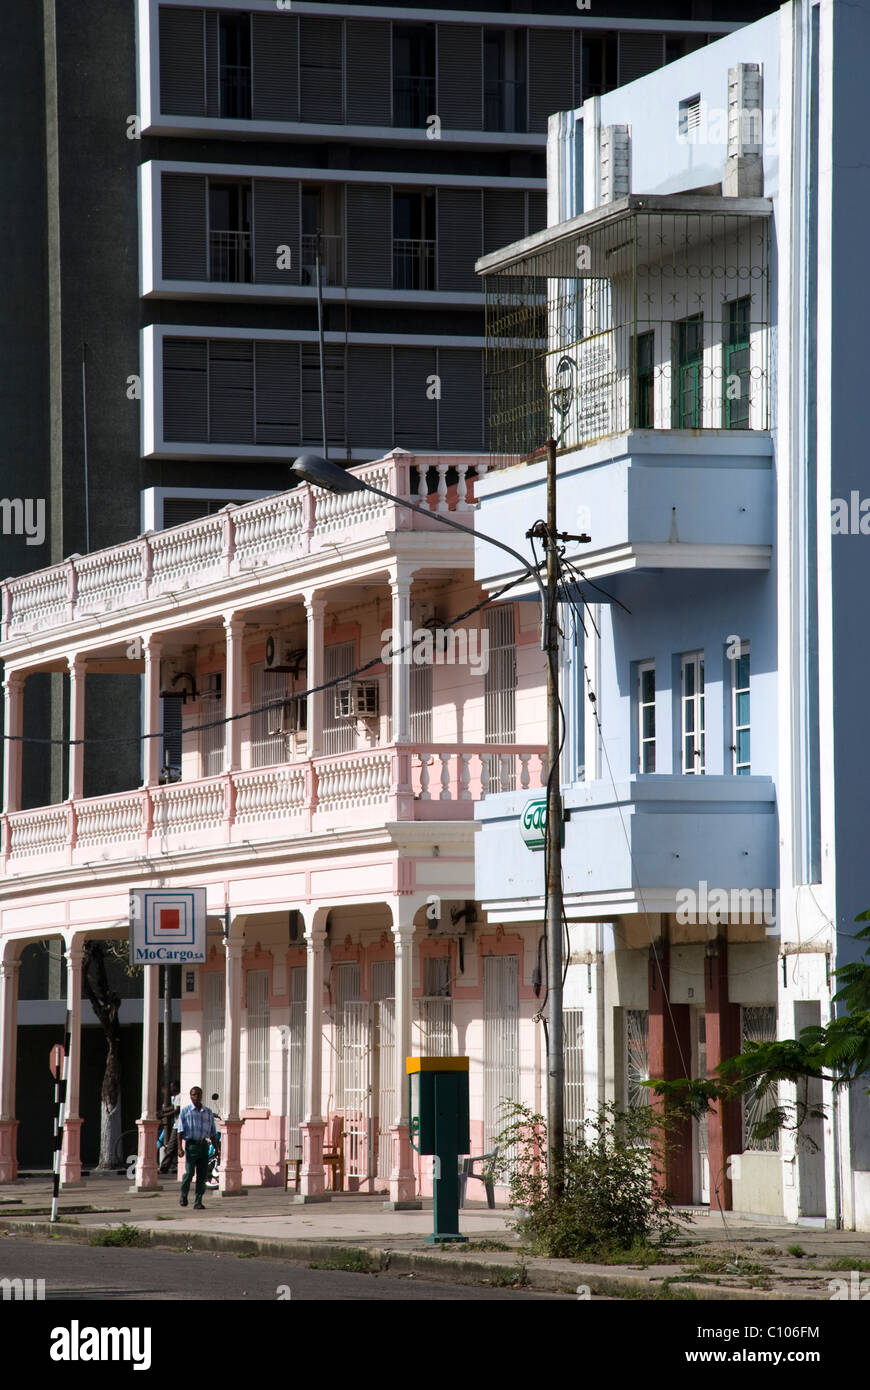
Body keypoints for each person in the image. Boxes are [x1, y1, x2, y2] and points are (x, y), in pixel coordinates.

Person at [177, 1086, 220, 1209]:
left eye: (198, 1094)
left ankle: (198, 1201)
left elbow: (212, 1132)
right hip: (191, 1146)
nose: (196, 1097)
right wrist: (180, 1148)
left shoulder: (208, 1112)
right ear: (190, 1096)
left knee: (202, 1175)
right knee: (189, 1172)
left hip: (203, 1145)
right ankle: (184, 1194)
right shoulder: (185, 1112)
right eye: (194, 1095)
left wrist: (216, 1148)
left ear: (201, 1096)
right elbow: (180, 1131)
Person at [158, 1081, 182, 1174]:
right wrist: (163, 1111)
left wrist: (165, 1115)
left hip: (178, 1126)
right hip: (176, 1124)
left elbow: (177, 1110)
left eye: (172, 1087)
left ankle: (164, 1167)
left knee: (171, 1146)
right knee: (172, 1147)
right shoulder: (176, 1097)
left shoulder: (180, 1096)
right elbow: (173, 1107)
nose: (171, 1089)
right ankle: (170, 1165)